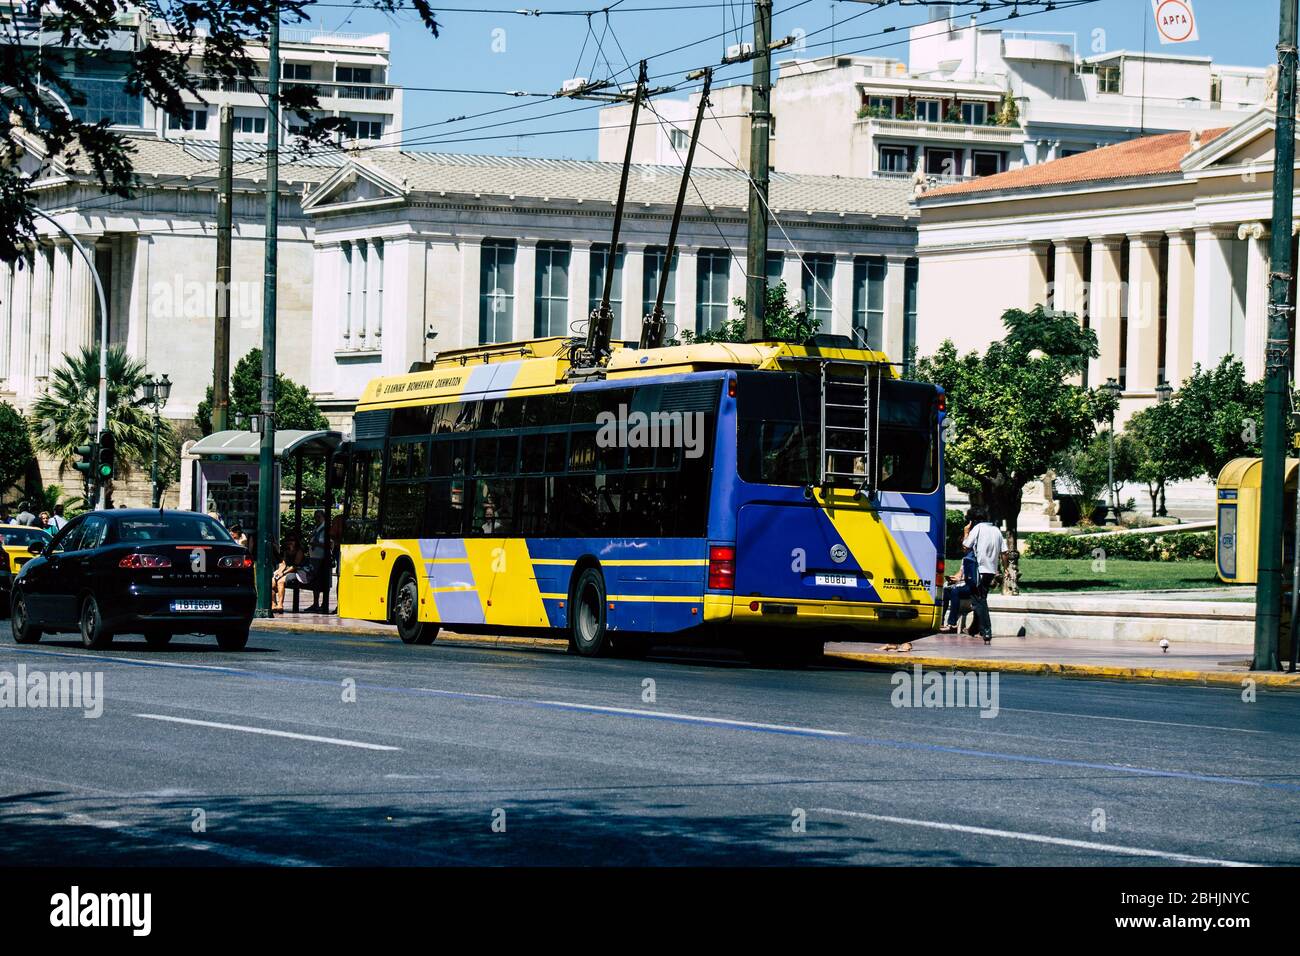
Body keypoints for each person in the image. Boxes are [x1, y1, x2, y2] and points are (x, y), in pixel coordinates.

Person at [962, 507, 1007, 644]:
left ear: (973, 520)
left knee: (979, 600)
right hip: (990, 571)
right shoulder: (996, 530)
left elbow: (965, 547)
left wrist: (966, 532)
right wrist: (1004, 569)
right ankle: (976, 629)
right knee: (981, 599)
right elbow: (1004, 553)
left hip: (978, 570)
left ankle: (986, 630)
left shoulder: (978, 529)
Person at [939, 537, 979, 634]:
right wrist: (954, 578)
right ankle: (940, 621)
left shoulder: (975, 558)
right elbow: (960, 573)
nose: (963, 548)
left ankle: (952, 623)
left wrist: (960, 579)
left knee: (955, 591)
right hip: (962, 584)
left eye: (965, 546)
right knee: (945, 591)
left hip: (971, 586)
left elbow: (973, 578)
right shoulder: (964, 559)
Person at [271, 534, 306, 613]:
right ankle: (273, 603)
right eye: (289, 540)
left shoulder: (299, 551)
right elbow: (284, 563)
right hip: (286, 571)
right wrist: (279, 572)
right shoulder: (286, 551)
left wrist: (283, 573)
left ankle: (280, 604)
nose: (290, 542)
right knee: (272, 581)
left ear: (296, 542)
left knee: (280, 582)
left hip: (298, 572)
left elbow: (295, 566)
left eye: (292, 540)